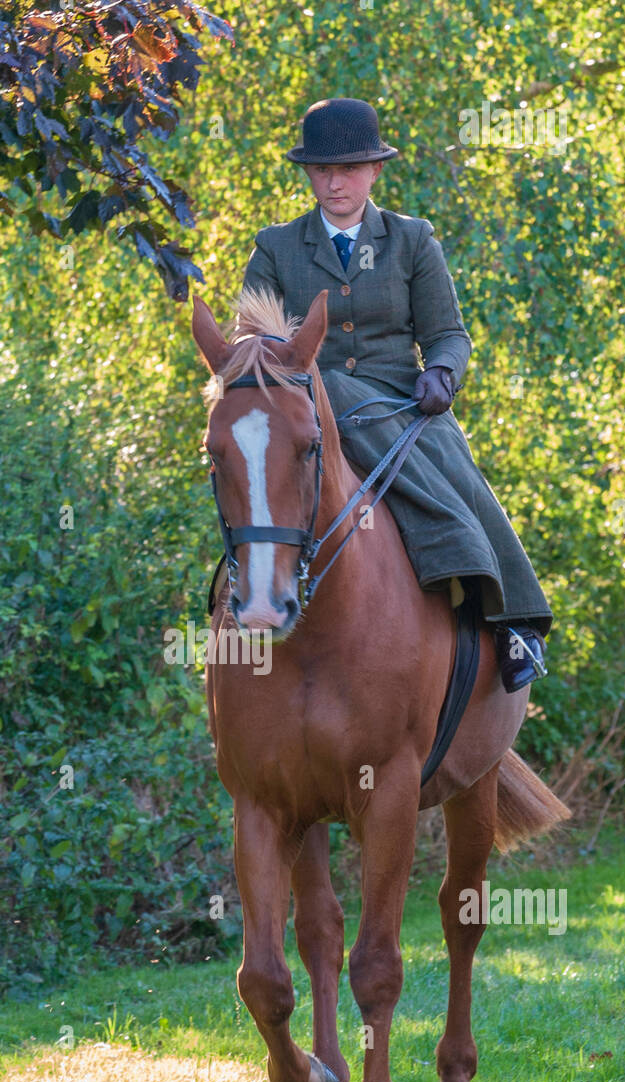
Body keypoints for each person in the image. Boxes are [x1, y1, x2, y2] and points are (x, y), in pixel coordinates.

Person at [240, 97, 550, 692]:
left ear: (375, 171)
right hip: (307, 401)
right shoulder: (274, 250)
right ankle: (244, 590)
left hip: (403, 402)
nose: (336, 183)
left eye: (350, 169)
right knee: (249, 475)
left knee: (461, 471)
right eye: (324, 170)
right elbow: (253, 343)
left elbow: (448, 334)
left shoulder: (412, 241)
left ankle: (517, 621)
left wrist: (441, 371)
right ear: (308, 173)